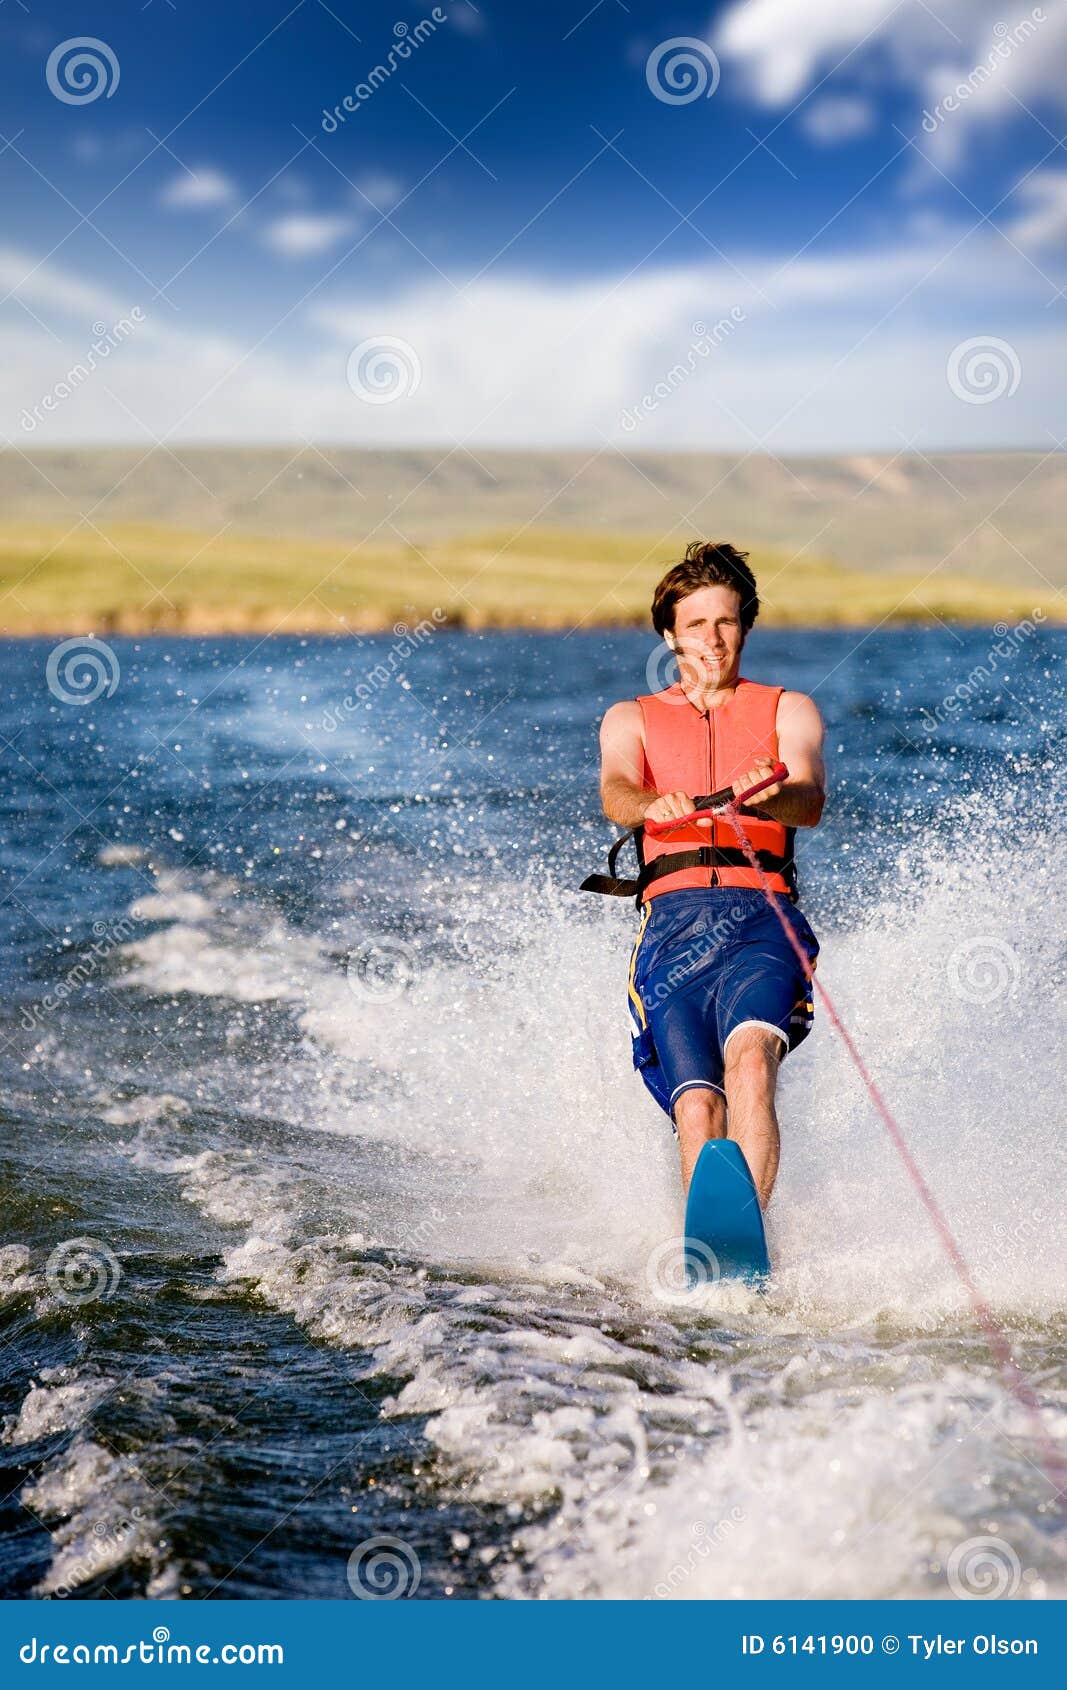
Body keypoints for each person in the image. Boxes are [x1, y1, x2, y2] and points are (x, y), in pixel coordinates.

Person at [595, 541, 825, 1208]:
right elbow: (615, 792)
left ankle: (746, 1237)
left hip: (764, 920)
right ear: (669, 634)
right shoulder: (629, 718)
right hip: (669, 927)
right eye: (695, 624)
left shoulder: (789, 710)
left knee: (750, 1064)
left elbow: (807, 801)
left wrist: (767, 798)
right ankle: (707, 1245)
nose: (712, 639)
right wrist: (648, 804)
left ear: (745, 627)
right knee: (697, 1106)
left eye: (726, 622)